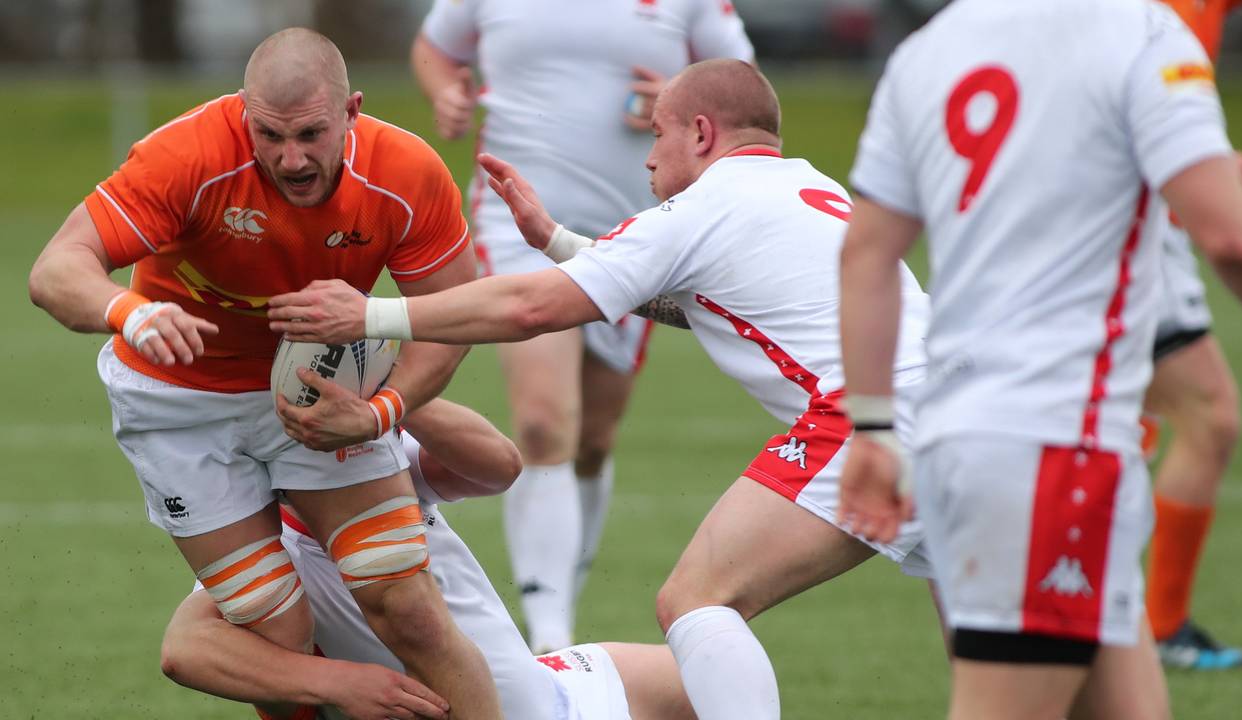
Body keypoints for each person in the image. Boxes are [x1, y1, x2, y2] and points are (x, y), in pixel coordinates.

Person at [267, 59, 936, 720]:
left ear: (700, 134)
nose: (647, 159)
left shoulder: (703, 207)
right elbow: (694, 300)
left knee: (698, 600)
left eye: (657, 133)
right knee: (995, 653)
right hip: (965, 415)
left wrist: (371, 316)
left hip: (870, 415)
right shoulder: (809, 189)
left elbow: (529, 310)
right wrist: (557, 242)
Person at [27, 28, 501, 719]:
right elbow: (56, 269)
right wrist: (129, 312)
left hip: (319, 394)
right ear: (242, 114)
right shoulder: (187, 156)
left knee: (408, 607)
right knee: (271, 629)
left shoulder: (404, 173)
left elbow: (448, 319)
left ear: (352, 112)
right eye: (269, 135)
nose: (290, 157)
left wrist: (380, 413)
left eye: (310, 133)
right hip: (177, 406)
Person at [836, 1, 1242, 718]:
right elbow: (1236, 240)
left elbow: (866, 253)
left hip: (974, 437)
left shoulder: (927, 50)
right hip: (1052, 448)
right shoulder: (1143, 33)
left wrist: (873, 427)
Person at [410, 0, 755, 652]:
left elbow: (741, 80)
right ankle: (550, 639)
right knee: (544, 422)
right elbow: (434, 49)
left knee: (592, 440)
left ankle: (561, 597)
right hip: (516, 214)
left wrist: (681, 100)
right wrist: (445, 91)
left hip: (637, 230)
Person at [162, 397, 695, 720]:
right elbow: (184, 647)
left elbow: (499, 466)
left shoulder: (373, 473)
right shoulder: (267, 547)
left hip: (551, 691)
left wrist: (391, 392)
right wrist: (341, 684)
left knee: (710, 668)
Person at [1143, 0, 1242, 670]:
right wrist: (1206, 172)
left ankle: (1131, 620)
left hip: (1131, 220)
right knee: (1208, 413)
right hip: (1133, 230)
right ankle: (1154, 626)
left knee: (1132, 420)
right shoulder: (1158, 16)